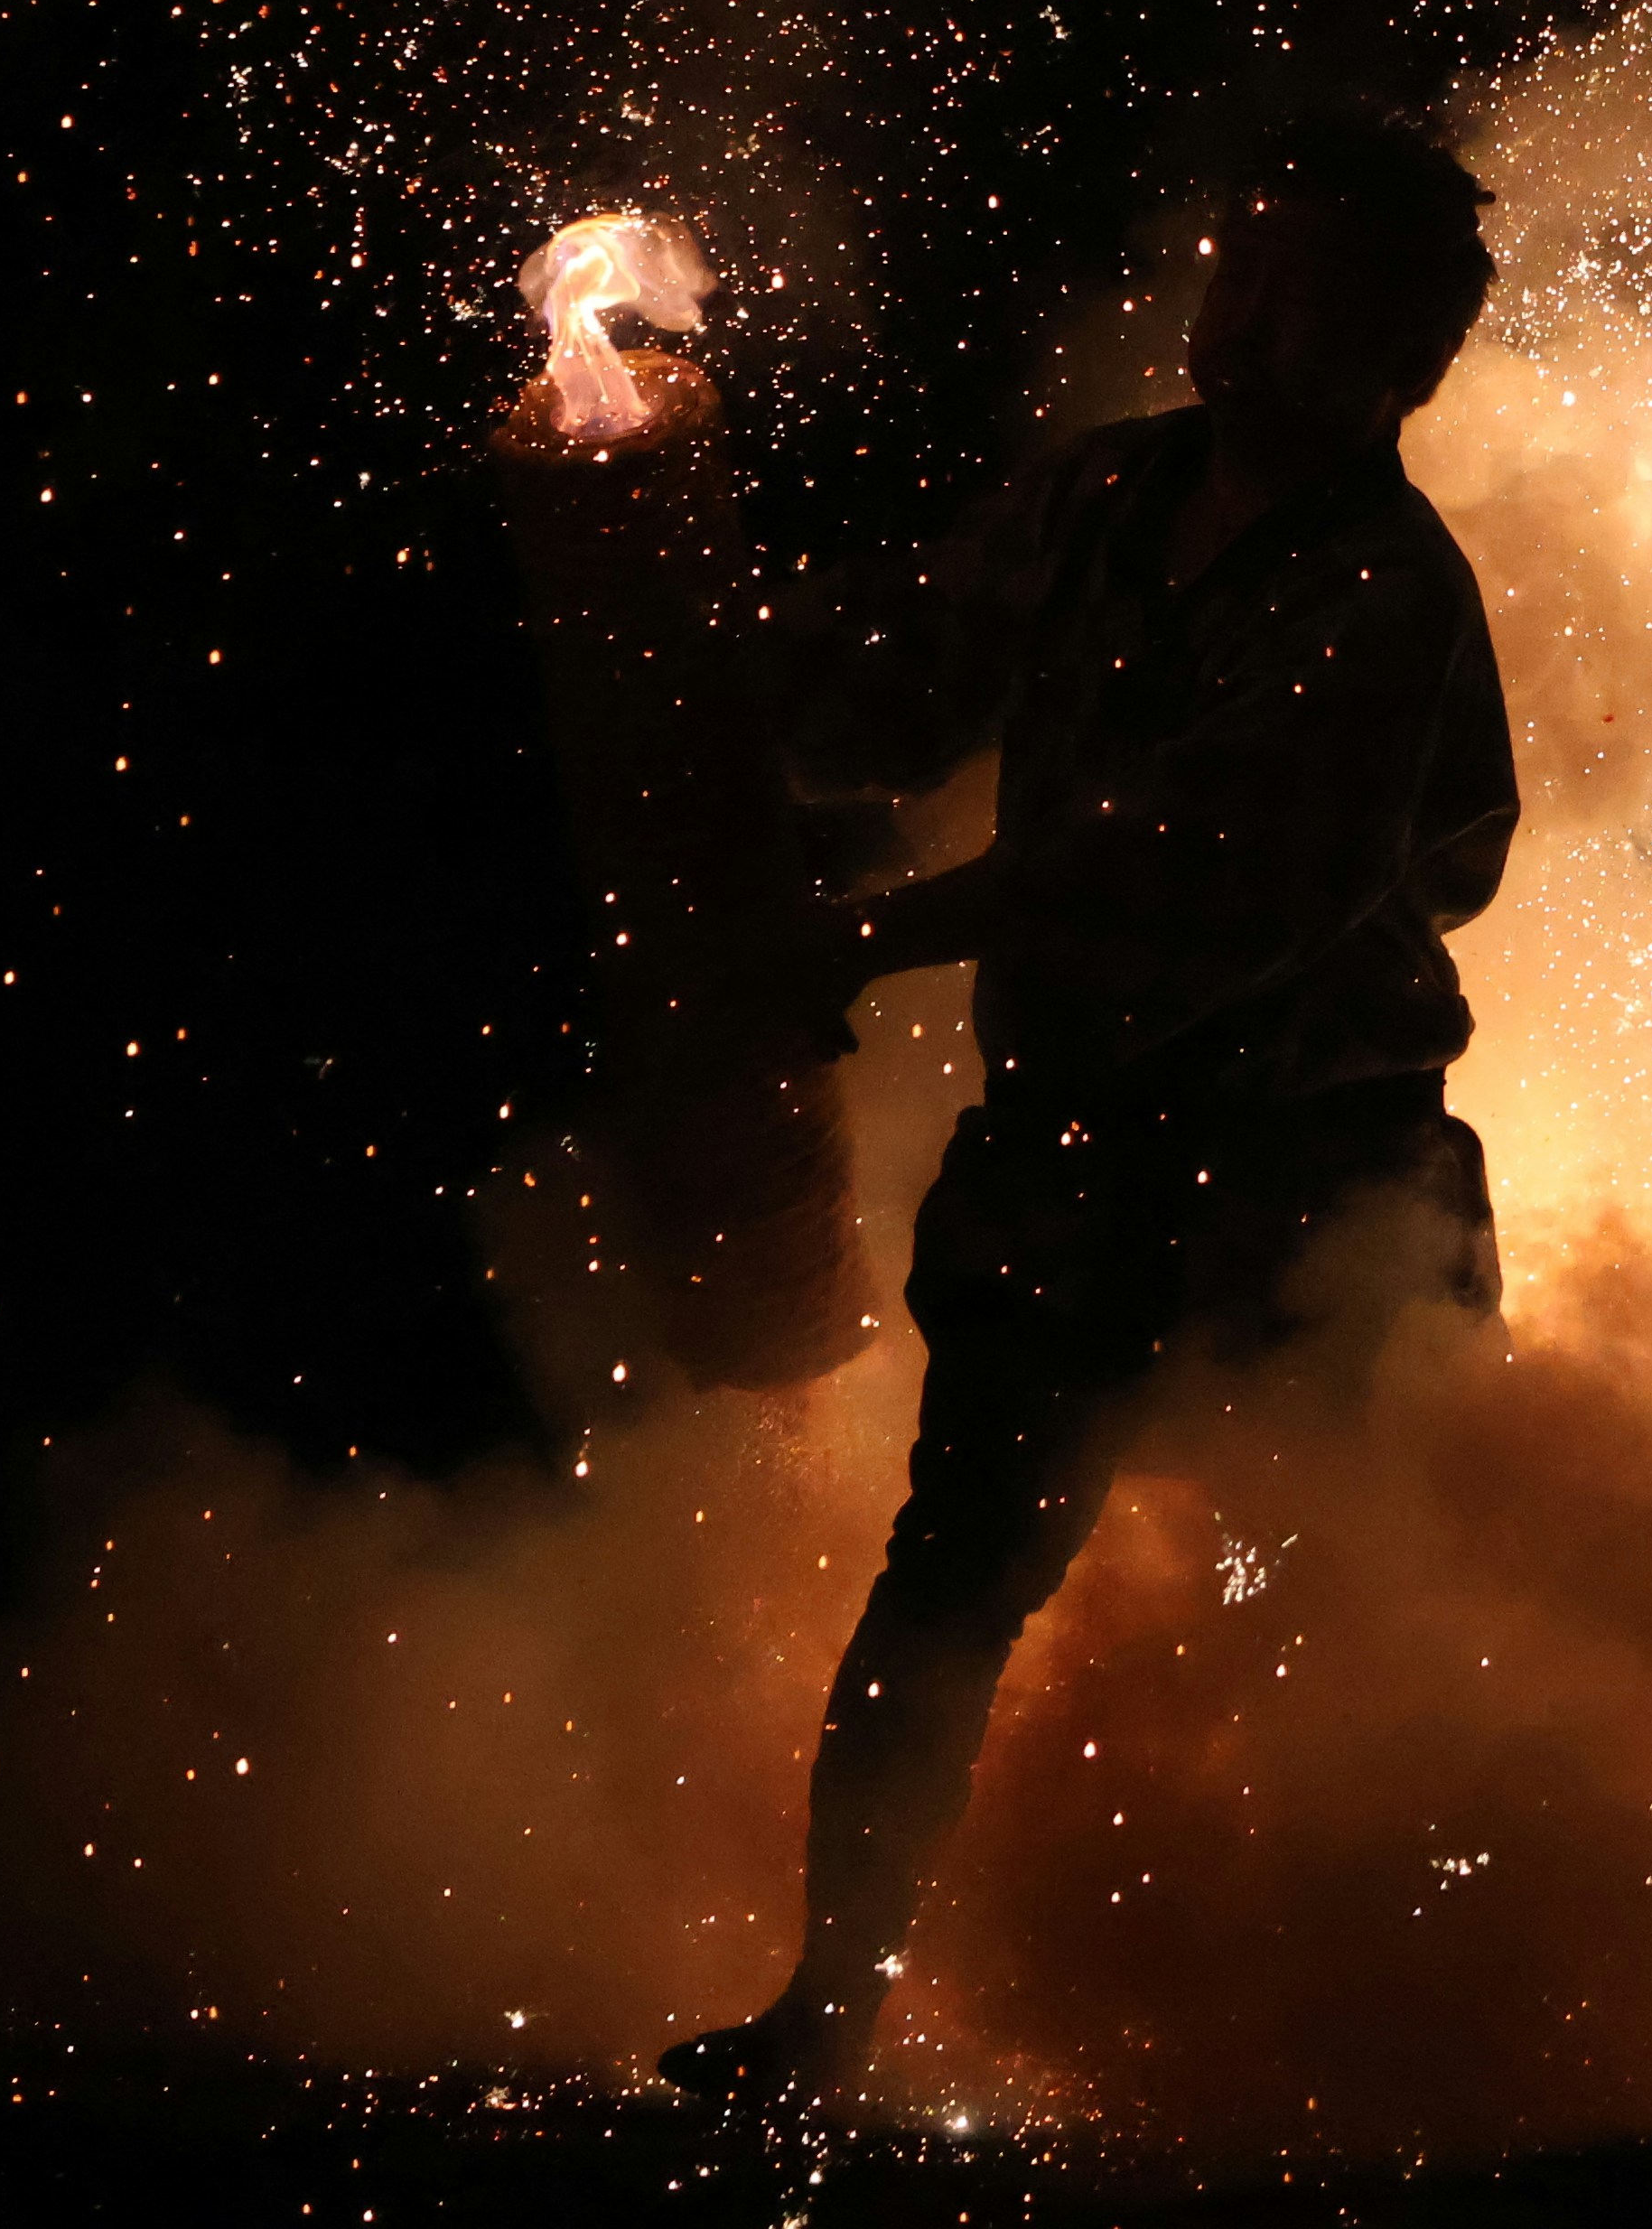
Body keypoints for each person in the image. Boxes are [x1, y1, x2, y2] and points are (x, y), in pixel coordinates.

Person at [661, 115, 1519, 2106]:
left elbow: (1199, 870)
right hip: (1076, 1158)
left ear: (1413, 360)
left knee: (1354, 1614)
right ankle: (828, 2018)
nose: (1257, 324)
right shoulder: (1102, 494)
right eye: (1254, 272)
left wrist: (870, 936)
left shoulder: (1390, 590)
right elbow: (895, 693)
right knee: (947, 1588)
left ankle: (1414, 2026)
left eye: (1322, 302)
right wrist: (679, 635)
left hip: (1322, 1180)